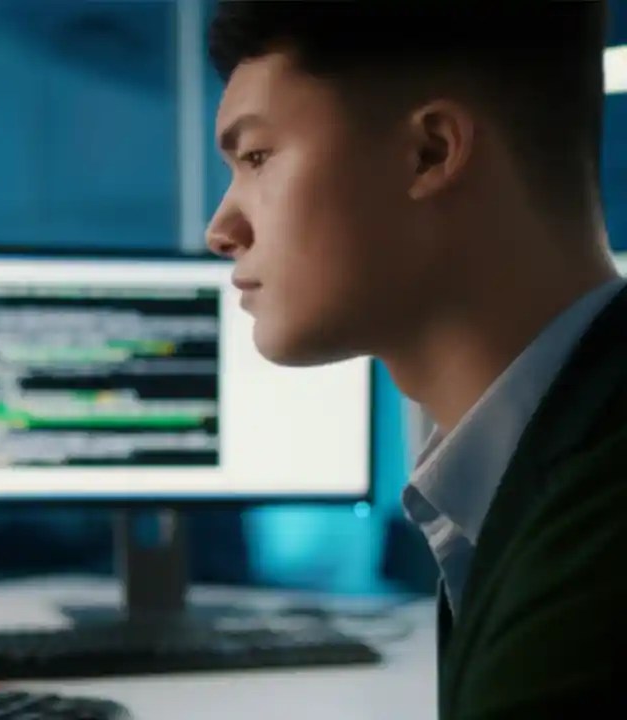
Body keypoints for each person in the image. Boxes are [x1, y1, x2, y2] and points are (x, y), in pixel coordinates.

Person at [205, 2, 625, 718]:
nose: (222, 229)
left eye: (256, 157)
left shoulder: (597, 552)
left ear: (429, 152)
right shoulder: (545, 475)